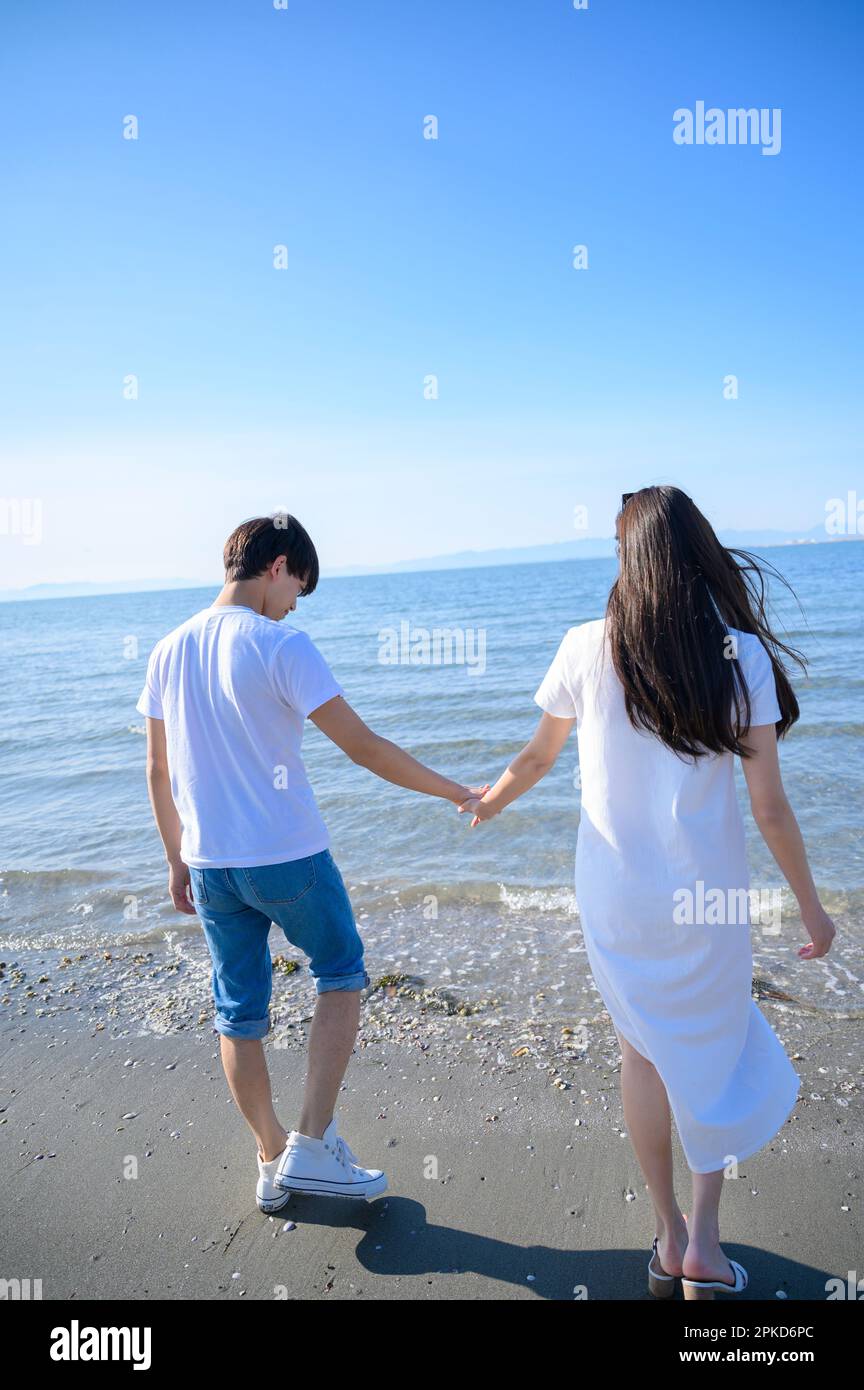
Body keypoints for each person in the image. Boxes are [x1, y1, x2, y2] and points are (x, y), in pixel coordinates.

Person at [463, 486, 835, 1300]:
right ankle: (703, 1242)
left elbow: (535, 758)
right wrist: (812, 907)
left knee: (641, 1052)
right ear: (698, 551)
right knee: (716, 1048)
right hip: (707, 903)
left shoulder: (582, 646)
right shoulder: (740, 654)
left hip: (614, 895)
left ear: (626, 558)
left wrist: (487, 802)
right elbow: (770, 808)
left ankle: (666, 1235)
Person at [136, 512, 485, 1215]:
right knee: (341, 972)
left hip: (210, 864)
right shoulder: (281, 644)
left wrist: (175, 860)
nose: (296, 600)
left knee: (238, 1011)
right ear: (278, 565)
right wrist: (455, 789)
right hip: (286, 854)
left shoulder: (167, 650)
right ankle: (314, 1146)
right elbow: (364, 747)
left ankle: (271, 1159)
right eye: (299, 585)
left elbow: (156, 770)